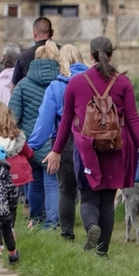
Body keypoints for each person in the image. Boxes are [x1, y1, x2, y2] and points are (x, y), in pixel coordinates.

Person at [45, 37, 139, 256]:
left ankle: (91, 226)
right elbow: (133, 118)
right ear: (111, 55)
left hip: (87, 150)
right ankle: (102, 252)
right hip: (115, 148)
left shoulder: (76, 83)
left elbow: (66, 121)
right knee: (107, 201)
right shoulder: (123, 83)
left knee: (88, 197)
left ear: (90, 56)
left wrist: (56, 151)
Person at [29, 44, 87, 240]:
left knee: (67, 191)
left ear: (60, 62)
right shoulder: (92, 82)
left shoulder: (56, 86)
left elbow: (44, 122)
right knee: (89, 190)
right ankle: (93, 229)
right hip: (90, 138)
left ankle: (67, 234)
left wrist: (31, 146)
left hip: (65, 140)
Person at [9, 42, 60, 228]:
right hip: (55, 142)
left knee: (35, 183)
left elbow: (12, 116)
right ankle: (52, 223)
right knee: (52, 183)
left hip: (31, 143)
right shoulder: (61, 83)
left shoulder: (23, 85)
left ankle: (36, 219)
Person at [0, 100, 34, 224]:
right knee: (12, 205)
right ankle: (10, 229)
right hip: (14, 176)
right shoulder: (16, 135)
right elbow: (29, 153)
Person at [12, 17, 54, 85]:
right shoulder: (62, 53)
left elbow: (14, 86)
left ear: (34, 33)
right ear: (52, 32)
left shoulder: (23, 57)